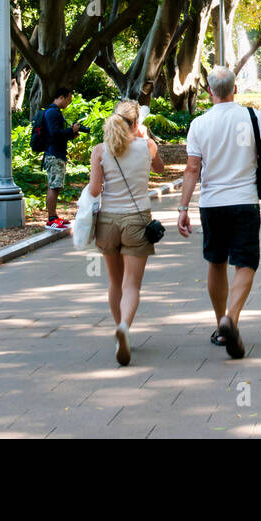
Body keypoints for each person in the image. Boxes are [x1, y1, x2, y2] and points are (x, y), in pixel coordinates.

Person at [178, 66, 261, 360]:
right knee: (245, 263)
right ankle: (231, 318)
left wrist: (183, 208)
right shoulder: (253, 116)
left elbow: (192, 168)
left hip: (211, 203)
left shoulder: (199, 124)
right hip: (244, 201)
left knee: (216, 261)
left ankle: (220, 324)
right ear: (236, 89)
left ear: (209, 92)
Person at [88, 100, 166, 366]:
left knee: (114, 281)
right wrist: (144, 138)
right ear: (136, 123)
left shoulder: (100, 150)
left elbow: (95, 190)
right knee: (131, 284)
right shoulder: (147, 146)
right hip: (137, 220)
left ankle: (119, 328)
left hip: (108, 221)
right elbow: (160, 169)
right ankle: (124, 326)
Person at [42, 87, 84, 228]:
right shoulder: (53, 112)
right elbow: (55, 134)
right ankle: (51, 218)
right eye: (68, 99)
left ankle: (54, 216)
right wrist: (70, 130)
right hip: (54, 154)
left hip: (56, 153)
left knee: (56, 186)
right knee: (54, 186)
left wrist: (71, 134)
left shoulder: (55, 112)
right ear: (61, 97)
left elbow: (59, 135)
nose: (68, 103)